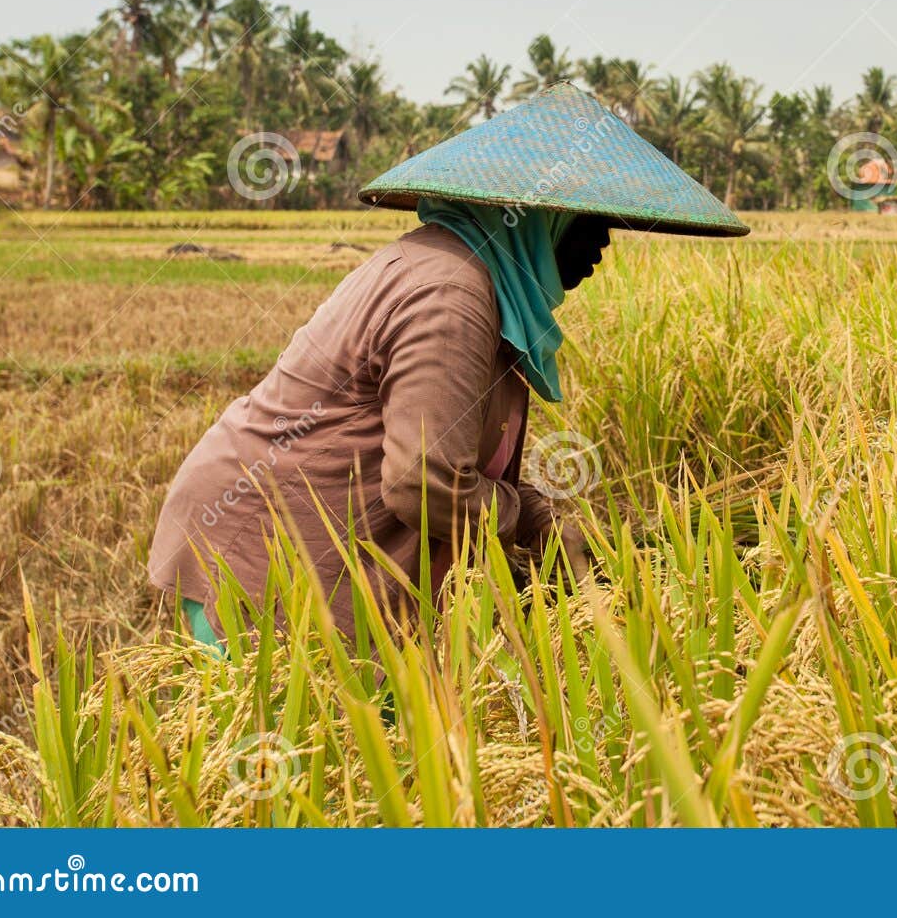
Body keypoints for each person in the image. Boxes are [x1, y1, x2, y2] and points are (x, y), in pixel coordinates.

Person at [148, 83, 748, 645]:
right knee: (288, 743)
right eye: (588, 222)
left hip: (309, 552)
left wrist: (541, 518)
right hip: (261, 556)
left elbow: (451, 456)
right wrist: (526, 530)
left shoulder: (481, 284)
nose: (602, 246)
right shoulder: (451, 292)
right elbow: (425, 484)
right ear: (538, 218)